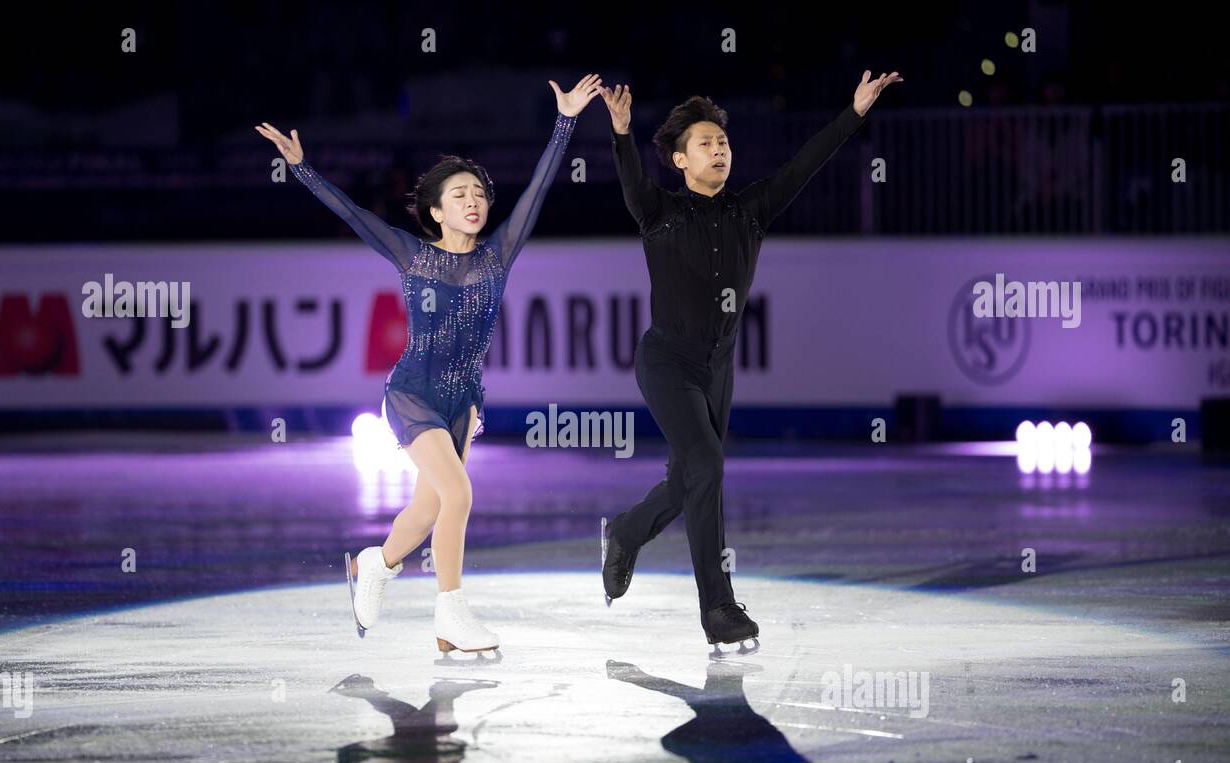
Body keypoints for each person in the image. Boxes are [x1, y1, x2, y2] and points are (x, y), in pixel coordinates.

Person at [256, 74, 603, 654]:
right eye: (460, 195)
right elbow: (353, 214)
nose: (473, 201)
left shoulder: (499, 255)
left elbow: (540, 189)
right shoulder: (412, 255)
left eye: (479, 194)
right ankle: (451, 614)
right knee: (459, 494)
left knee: (427, 509)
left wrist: (565, 120)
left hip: (464, 401)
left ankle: (375, 563)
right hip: (413, 393)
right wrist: (301, 167)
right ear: (437, 212)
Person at [598, 70, 901, 647]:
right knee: (708, 465)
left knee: (691, 476)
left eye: (724, 143)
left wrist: (854, 112)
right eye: (706, 144)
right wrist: (620, 132)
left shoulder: (750, 211)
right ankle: (717, 608)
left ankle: (627, 534)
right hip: (666, 361)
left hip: (718, 368)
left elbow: (803, 165)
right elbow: (632, 181)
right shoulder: (658, 211)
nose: (719, 151)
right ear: (681, 161)